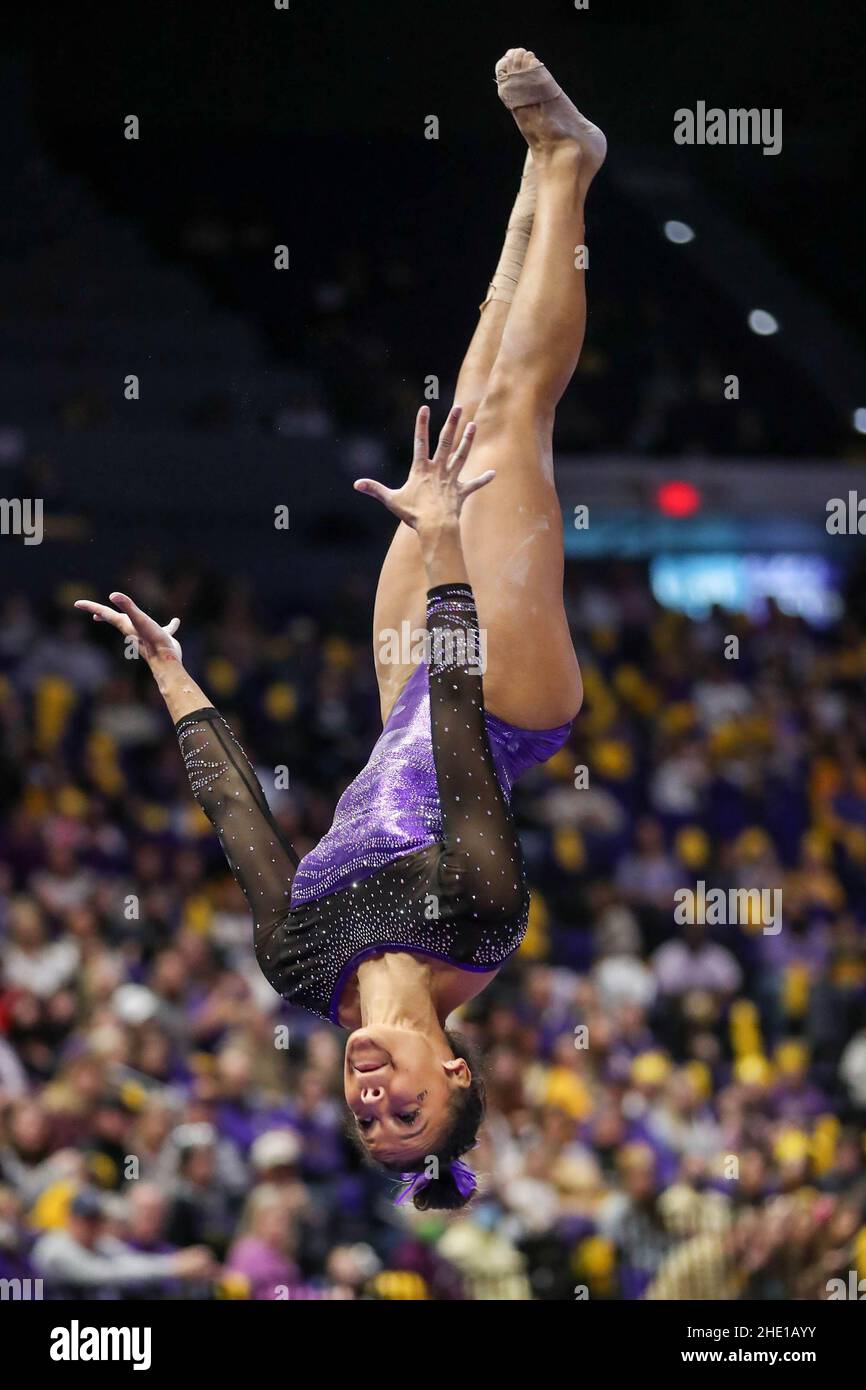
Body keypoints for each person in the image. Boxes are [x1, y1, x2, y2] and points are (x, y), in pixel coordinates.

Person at [74, 49, 605, 1210]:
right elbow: (460, 729)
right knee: (512, 415)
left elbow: (237, 817)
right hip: (496, 696)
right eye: (405, 1108)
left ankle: (535, 172)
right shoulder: (478, 918)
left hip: (397, 692)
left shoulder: (298, 966)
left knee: (470, 389)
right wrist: (449, 541)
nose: (371, 1098)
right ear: (453, 1067)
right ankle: (569, 164)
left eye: (364, 1120)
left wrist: (170, 677)